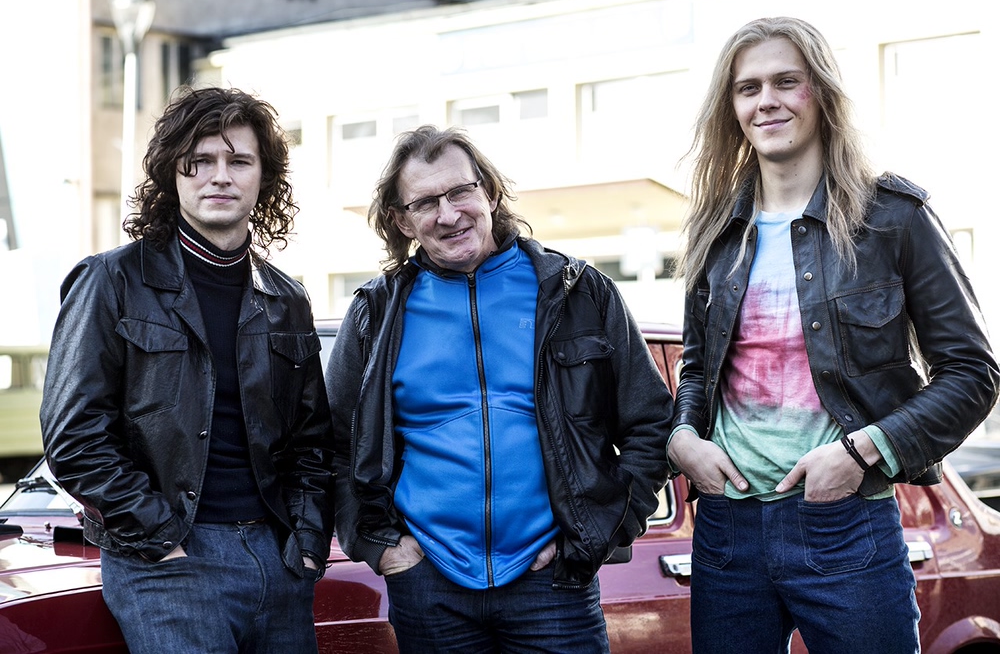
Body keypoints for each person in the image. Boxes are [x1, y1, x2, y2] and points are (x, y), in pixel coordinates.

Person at [667, 16, 1000, 653]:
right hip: (726, 531)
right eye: (748, 88)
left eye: (786, 82)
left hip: (844, 522)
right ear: (731, 108)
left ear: (820, 92)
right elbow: (698, 368)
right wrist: (683, 438)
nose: (767, 101)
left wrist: (861, 453)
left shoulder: (892, 218)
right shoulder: (715, 229)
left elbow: (973, 374)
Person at [326, 124, 673, 652]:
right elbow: (333, 443)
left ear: (488, 191)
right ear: (402, 220)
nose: (448, 214)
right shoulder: (375, 313)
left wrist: (599, 533)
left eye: (460, 191)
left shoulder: (578, 292)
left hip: (553, 583)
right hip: (429, 585)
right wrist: (381, 548)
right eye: (425, 203)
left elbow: (651, 423)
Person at [40, 86, 335, 653]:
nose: (219, 177)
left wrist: (305, 541)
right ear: (172, 175)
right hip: (166, 561)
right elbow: (74, 437)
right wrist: (159, 536)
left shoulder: (285, 298)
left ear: (264, 177)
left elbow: (312, 442)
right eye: (199, 161)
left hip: (279, 561)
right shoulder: (110, 282)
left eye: (238, 161)